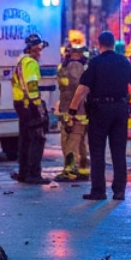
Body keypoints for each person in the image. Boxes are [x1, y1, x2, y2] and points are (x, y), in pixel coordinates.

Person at [71, 30, 131, 201]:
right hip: (120, 110)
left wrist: (73, 109)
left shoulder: (95, 63)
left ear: (99, 44)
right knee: (118, 151)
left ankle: (99, 191)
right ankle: (119, 191)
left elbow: (83, 89)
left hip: (99, 110)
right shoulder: (124, 62)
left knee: (97, 151)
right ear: (113, 44)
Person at [10, 33, 50, 184]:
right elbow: (32, 86)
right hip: (30, 104)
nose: (40, 52)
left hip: (20, 103)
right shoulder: (31, 63)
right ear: (35, 48)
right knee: (37, 139)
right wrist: (38, 105)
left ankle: (23, 172)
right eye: (39, 49)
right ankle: (33, 174)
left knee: (25, 139)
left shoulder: (20, 61)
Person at [54, 38, 89, 181]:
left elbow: (75, 89)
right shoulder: (84, 68)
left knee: (70, 142)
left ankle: (70, 171)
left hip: (74, 112)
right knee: (79, 142)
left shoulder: (67, 67)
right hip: (78, 112)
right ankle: (82, 169)